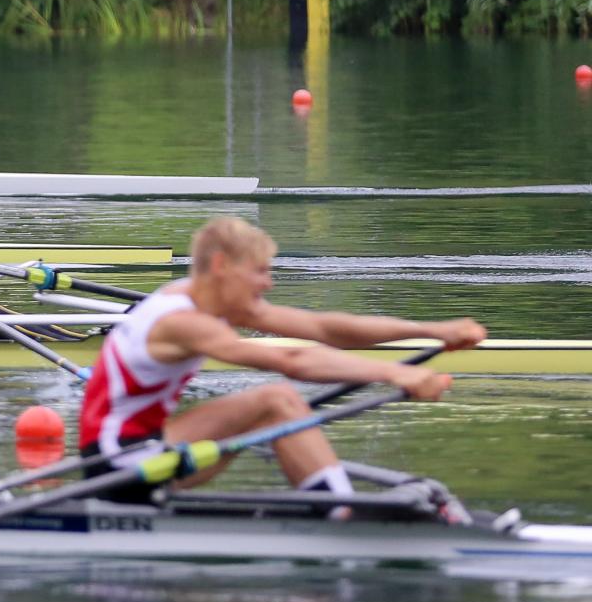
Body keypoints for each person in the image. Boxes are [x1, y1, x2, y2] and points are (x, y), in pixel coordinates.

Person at [79, 215, 487, 506]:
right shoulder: (181, 321)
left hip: (148, 446)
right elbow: (292, 359)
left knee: (277, 406)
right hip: (119, 463)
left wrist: (435, 330)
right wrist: (395, 373)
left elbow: (326, 329)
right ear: (222, 266)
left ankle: (335, 509)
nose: (268, 283)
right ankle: (342, 517)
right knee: (276, 401)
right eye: (260, 271)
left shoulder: (213, 300)